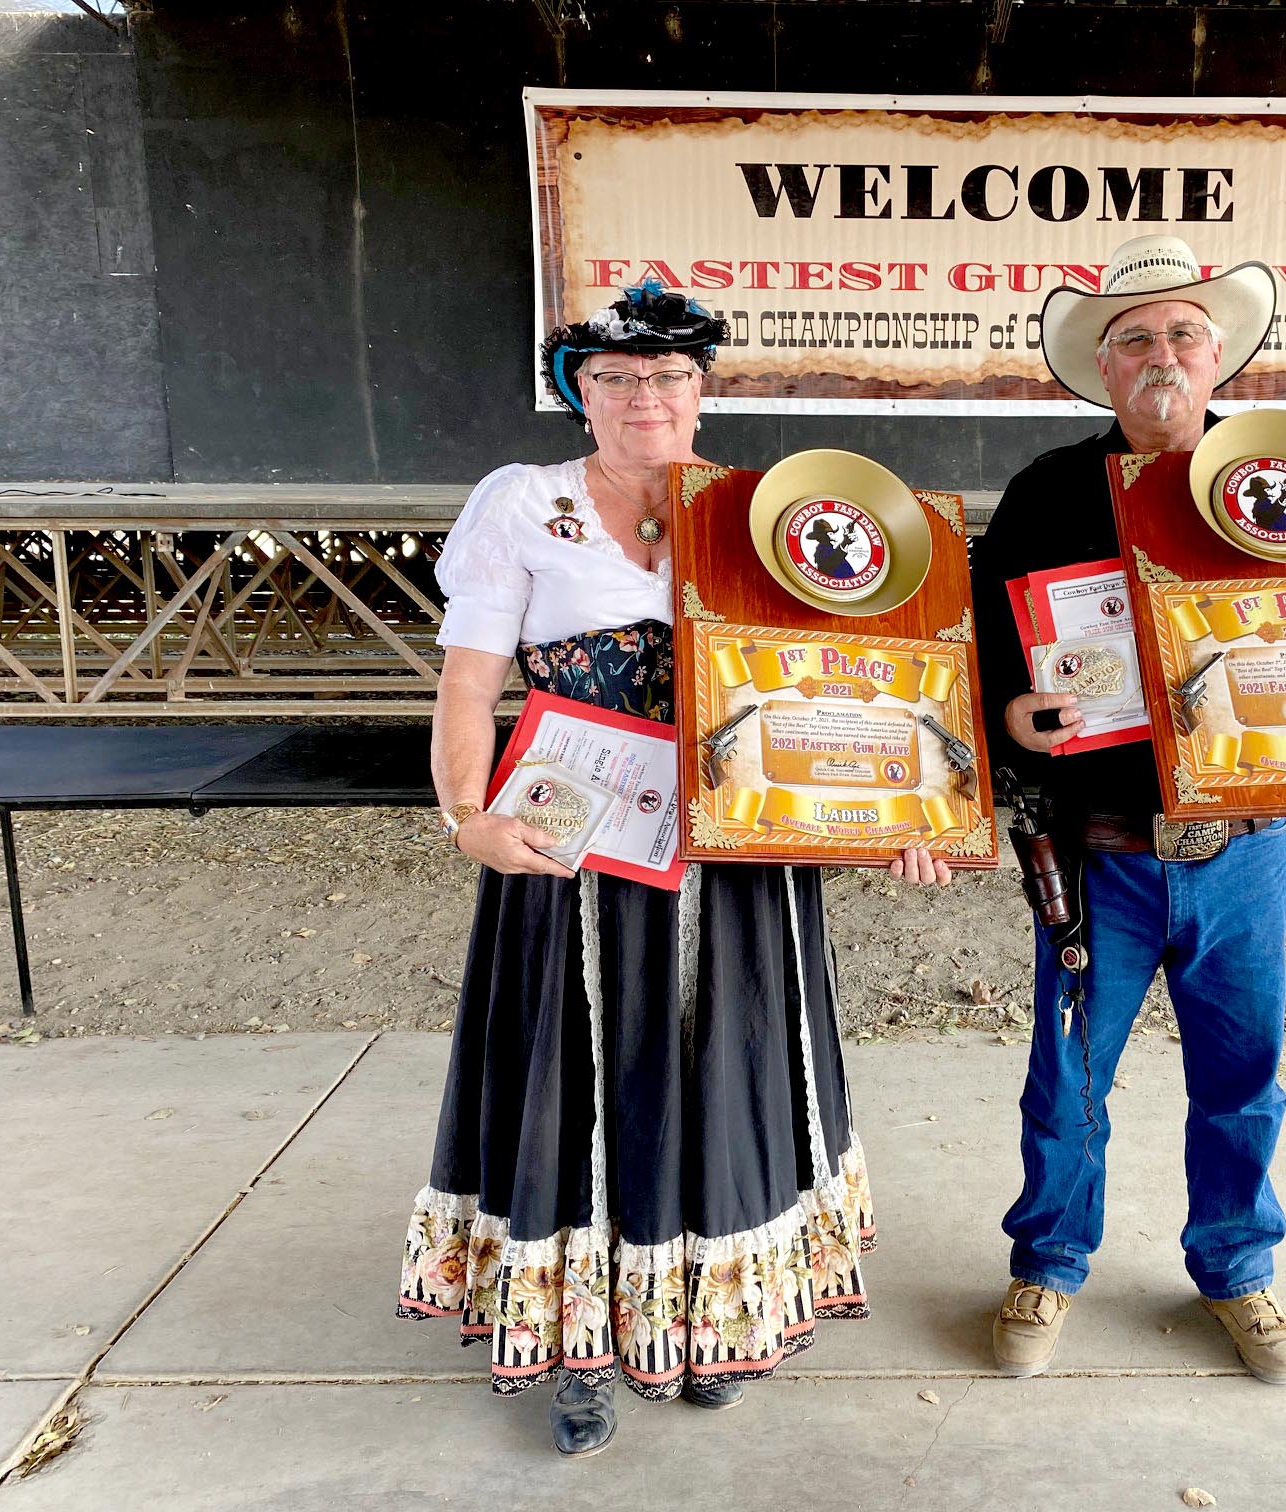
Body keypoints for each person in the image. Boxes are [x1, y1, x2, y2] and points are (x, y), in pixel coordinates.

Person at [397, 279, 951, 1458]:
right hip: (575, 846)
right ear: (576, 395)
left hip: (741, 850)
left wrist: (912, 810)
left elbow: (859, 689)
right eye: (615, 379)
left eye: (670, 377)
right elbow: (466, 684)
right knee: (582, 1078)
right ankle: (579, 1347)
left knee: (724, 1066)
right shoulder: (522, 506)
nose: (645, 397)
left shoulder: (766, 512)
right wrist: (465, 816)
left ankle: (706, 1320)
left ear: (705, 390)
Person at [970, 235, 1286, 1388]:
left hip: (1247, 853)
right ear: (1101, 370)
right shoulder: (1045, 494)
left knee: (1243, 1078)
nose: (1160, 356)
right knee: (1067, 1077)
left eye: (1181, 335)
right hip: (1096, 852)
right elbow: (976, 663)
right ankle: (1050, 1259)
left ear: (1219, 359)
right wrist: (1016, 719)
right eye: (1134, 341)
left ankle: (1237, 1269)